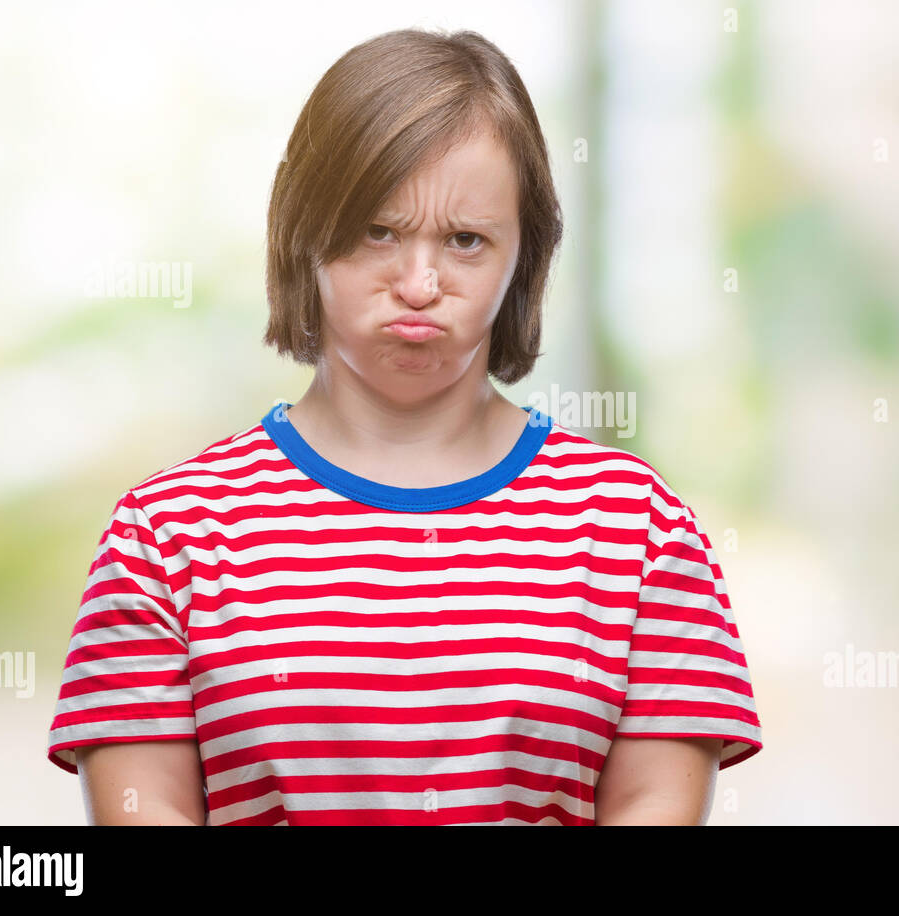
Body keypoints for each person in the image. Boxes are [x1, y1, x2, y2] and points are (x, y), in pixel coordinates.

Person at [46, 27, 762, 825]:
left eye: (465, 241)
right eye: (377, 232)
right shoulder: (164, 538)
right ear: (304, 233)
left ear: (523, 259)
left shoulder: (639, 532)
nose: (419, 284)